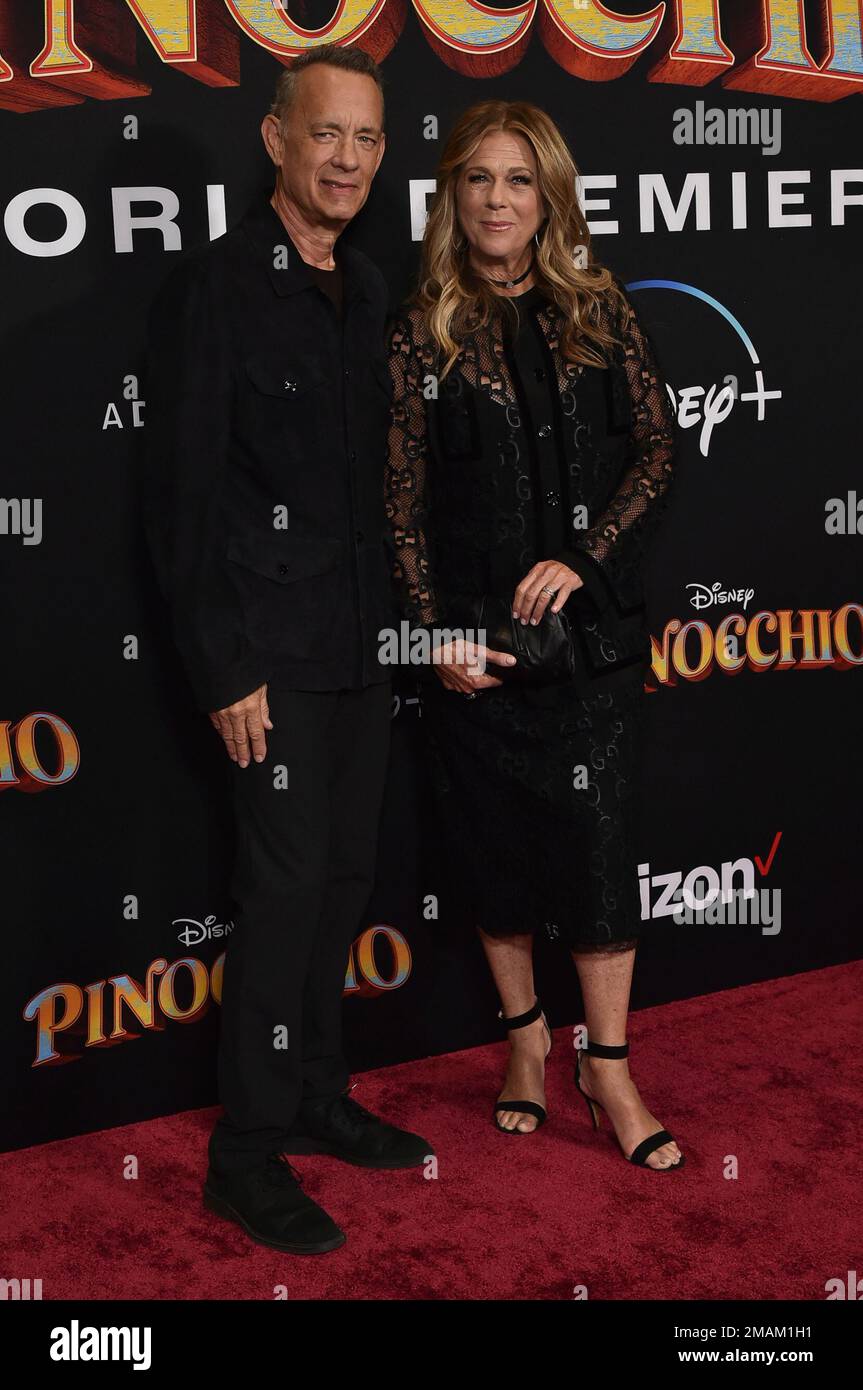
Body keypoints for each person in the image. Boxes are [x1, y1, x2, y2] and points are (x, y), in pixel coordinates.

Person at [142, 44, 432, 1257]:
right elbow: (179, 498)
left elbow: (387, 493)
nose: (348, 160)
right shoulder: (215, 289)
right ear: (275, 140)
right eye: (327, 135)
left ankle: (317, 1094)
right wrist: (225, 670)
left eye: (367, 139)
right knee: (278, 899)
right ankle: (245, 1154)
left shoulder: (369, 289)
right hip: (266, 656)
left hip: (362, 649)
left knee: (344, 884)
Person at [385, 100, 684, 1170]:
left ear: (547, 195)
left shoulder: (598, 307)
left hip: (590, 650)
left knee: (600, 859)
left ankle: (605, 1066)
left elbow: (656, 452)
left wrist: (587, 560)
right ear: (451, 195)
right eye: (477, 179)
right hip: (476, 653)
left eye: (517, 180)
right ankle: (523, 1050)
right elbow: (399, 500)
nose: (497, 200)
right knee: (494, 858)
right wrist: (429, 639)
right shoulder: (422, 325)